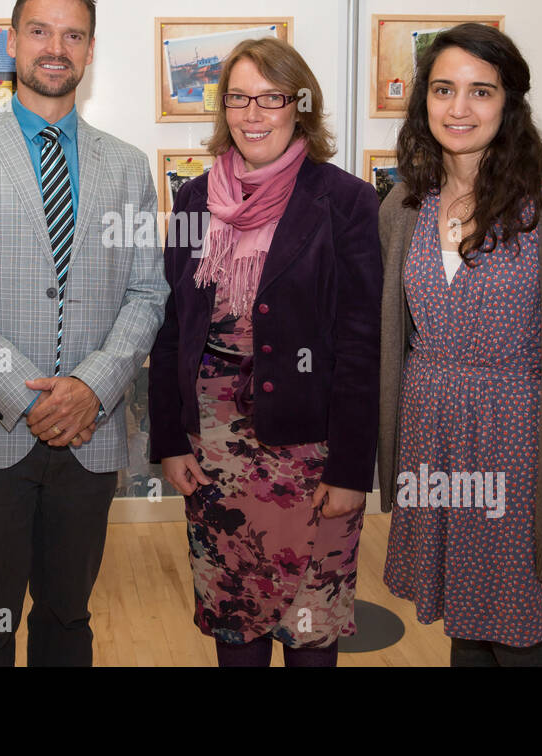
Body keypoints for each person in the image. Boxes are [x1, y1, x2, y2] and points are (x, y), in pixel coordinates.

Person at [0, 0, 167, 667]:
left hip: (90, 435)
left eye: (73, 34)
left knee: (67, 616)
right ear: (12, 42)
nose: (57, 47)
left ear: (89, 51)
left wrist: (90, 388)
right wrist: (30, 393)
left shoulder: (127, 167)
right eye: (40, 31)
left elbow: (147, 293)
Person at [377, 22, 542, 667]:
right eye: (443, 90)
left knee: (520, 631)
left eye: (480, 92)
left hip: (522, 450)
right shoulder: (403, 205)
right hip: (430, 436)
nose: (459, 109)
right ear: (423, 102)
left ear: (508, 103)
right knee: (466, 617)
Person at [148, 38, 382, 667]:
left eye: (270, 98)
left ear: (299, 106)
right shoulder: (195, 199)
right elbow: (172, 325)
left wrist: (352, 471)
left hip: (313, 450)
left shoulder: (347, 203)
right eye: (238, 99)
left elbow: (363, 348)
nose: (253, 114)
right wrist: (169, 440)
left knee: (310, 631)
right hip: (214, 449)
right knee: (235, 630)